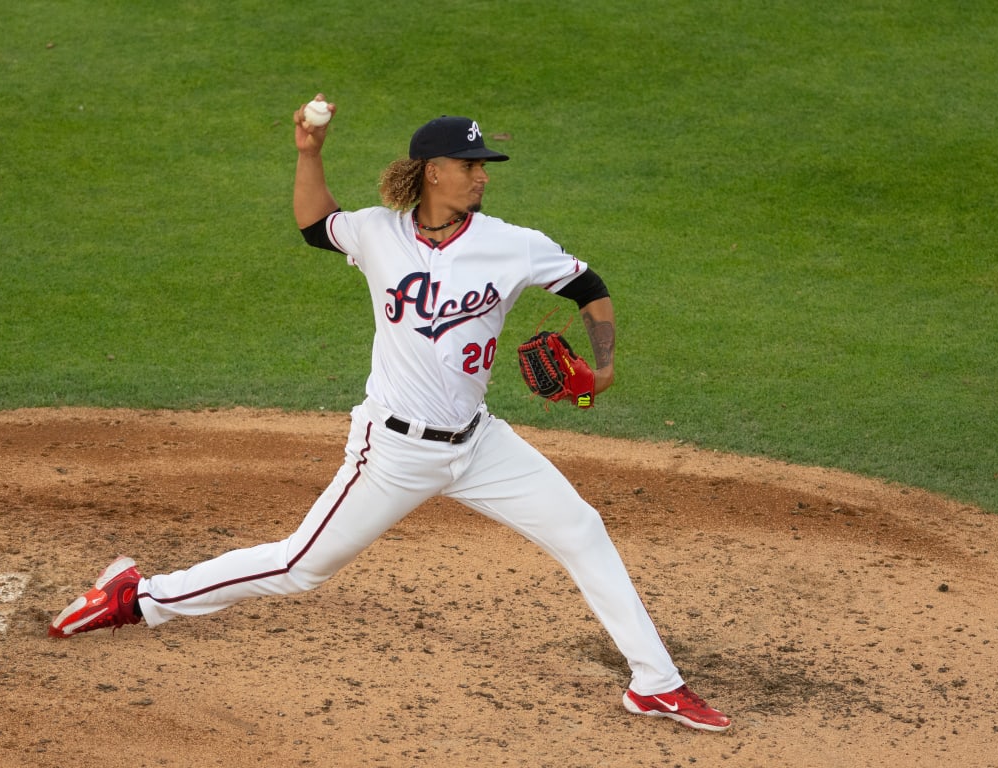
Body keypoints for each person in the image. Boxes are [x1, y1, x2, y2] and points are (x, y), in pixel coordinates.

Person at [48, 96, 732, 732]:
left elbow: (588, 284)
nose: (481, 178)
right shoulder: (377, 234)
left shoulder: (510, 243)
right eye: (469, 167)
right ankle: (137, 598)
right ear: (433, 172)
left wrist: (604, 365)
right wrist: (309, 151)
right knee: (299, 568)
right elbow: (316, 226)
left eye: (483, 167)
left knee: (581, 529)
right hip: (395, 452)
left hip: (479, 445)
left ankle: (655, 681)